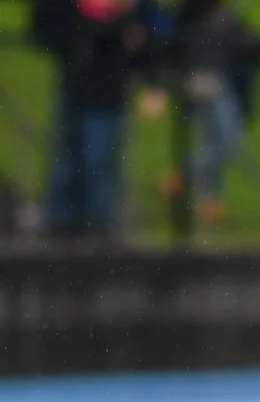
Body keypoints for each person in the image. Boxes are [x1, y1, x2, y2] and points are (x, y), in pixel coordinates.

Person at [33, 0, 163, 238]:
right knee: (69, 161)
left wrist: (152, 80)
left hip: (106, 91)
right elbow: (47, 28)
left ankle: (97, 233)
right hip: (77, 84)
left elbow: (149, 32)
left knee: (96, 162)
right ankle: (63, 230)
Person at [171, 0, 260, 225]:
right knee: (227, 145)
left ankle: (211, 203)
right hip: (213, 85)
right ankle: (182, 175)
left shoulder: (217, 18)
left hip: (211, 83)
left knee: (214, 145)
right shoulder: (210, 19)